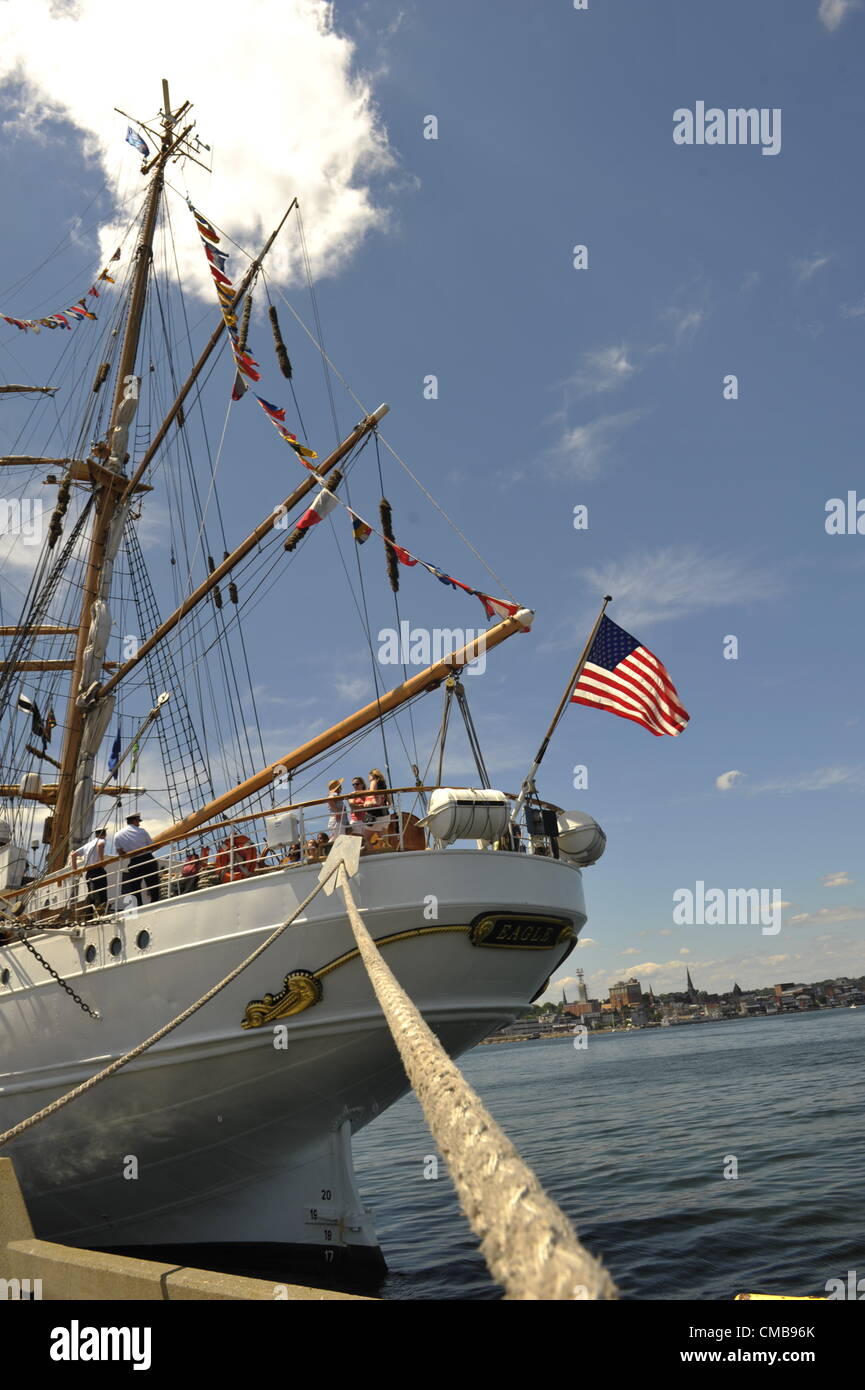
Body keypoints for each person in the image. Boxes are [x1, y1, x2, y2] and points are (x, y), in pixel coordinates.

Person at [114, 813, 161, 905]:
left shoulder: (118, 835)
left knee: (135, 886)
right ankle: (155, 902)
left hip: (134, 861)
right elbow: (151, 846)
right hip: (147, 859)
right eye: (138, 821)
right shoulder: (142, 831)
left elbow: (120, 852)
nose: (139, 824)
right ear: (135, 821)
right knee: (153, 883)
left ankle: (139, 905)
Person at [72, 828, 108, 914]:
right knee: (101, 891)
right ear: (104, 834)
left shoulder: (88, 845)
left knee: (92, 892)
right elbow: (100, 845)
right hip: (98, 869)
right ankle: (101, 911)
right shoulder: (101, 840)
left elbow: (73, 855)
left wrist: (75, 870)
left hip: (89, 872)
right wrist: (102, 861)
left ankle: (89, 914)